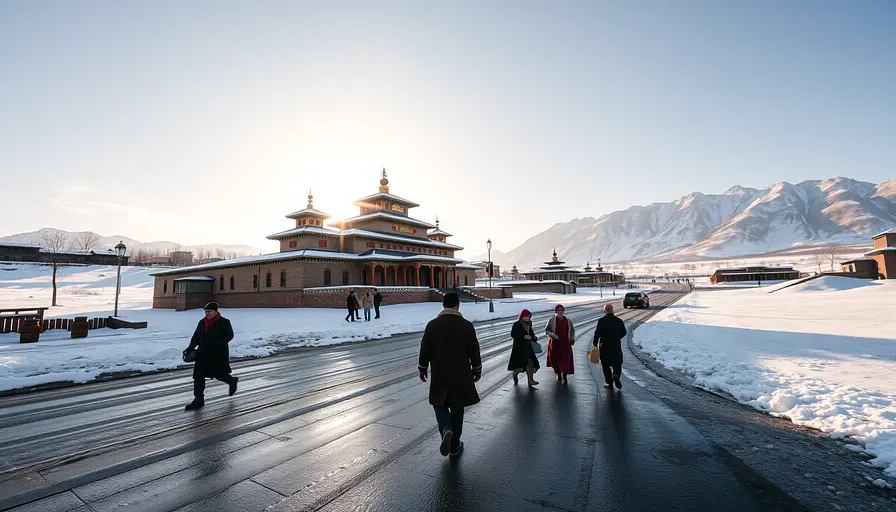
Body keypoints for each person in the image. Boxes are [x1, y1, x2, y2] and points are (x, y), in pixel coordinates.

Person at [418, 292, 482, 457]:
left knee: (439, 403)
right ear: (457, 305)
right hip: (461, 373)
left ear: (443, 305)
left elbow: (425, 349)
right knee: (457, 406)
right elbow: (473, 350)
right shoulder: (466, 325)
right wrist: (476, 369)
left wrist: (422, 367)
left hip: (440, 372)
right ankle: (455, 445)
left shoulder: (432, 325)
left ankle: (446, 428)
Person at [182, 302, 238, 411]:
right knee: (198, 376)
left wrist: (217, 344)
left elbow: (229, 335)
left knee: (219, 374)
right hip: (202, 354)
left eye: (209, 311)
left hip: (218, 354)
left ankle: (232, 381)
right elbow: (196, 337)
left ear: (216, 311)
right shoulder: (202, 323)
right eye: (206, 311)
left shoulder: (224, 322)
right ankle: (198, 400)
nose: (207, 313)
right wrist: (190, 348)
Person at [593, 303, 627, 390]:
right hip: (616, 345)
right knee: (618, 363)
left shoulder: (601, 321)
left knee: (605, 365)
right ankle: (616, 374)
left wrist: (595, 343)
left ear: (605, 311)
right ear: (612, 310)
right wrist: (617, 337)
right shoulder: (619, 321)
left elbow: (597, 333)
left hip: (604, 346)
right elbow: (624, 332)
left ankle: (609, 382)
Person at [508, 308, 540, 388]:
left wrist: (533, 338)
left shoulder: (529, 324)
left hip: (528, 349)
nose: (527, 318)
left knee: (530, 364)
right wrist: (523, 337)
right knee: (520, 367)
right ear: (522, 316)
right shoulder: (517, 324)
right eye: (525, 316)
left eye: (528, 317)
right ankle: (515, 375)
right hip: (519, 349)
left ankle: (530, 380)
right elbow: (513, 335)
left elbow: (532, 335)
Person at [544, 304, 575, 384]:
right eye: (559, 311)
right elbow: (547, 331)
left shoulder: (568, 320)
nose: (560, 312)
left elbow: (572, 331)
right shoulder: (552, 320)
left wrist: (572, 339)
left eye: (562, 310)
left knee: (565, 360)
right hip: (555, 344)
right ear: (556, 312)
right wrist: (553, 335)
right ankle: (558, 374)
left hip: (566, 344)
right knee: (556, 360)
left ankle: (564, 376)